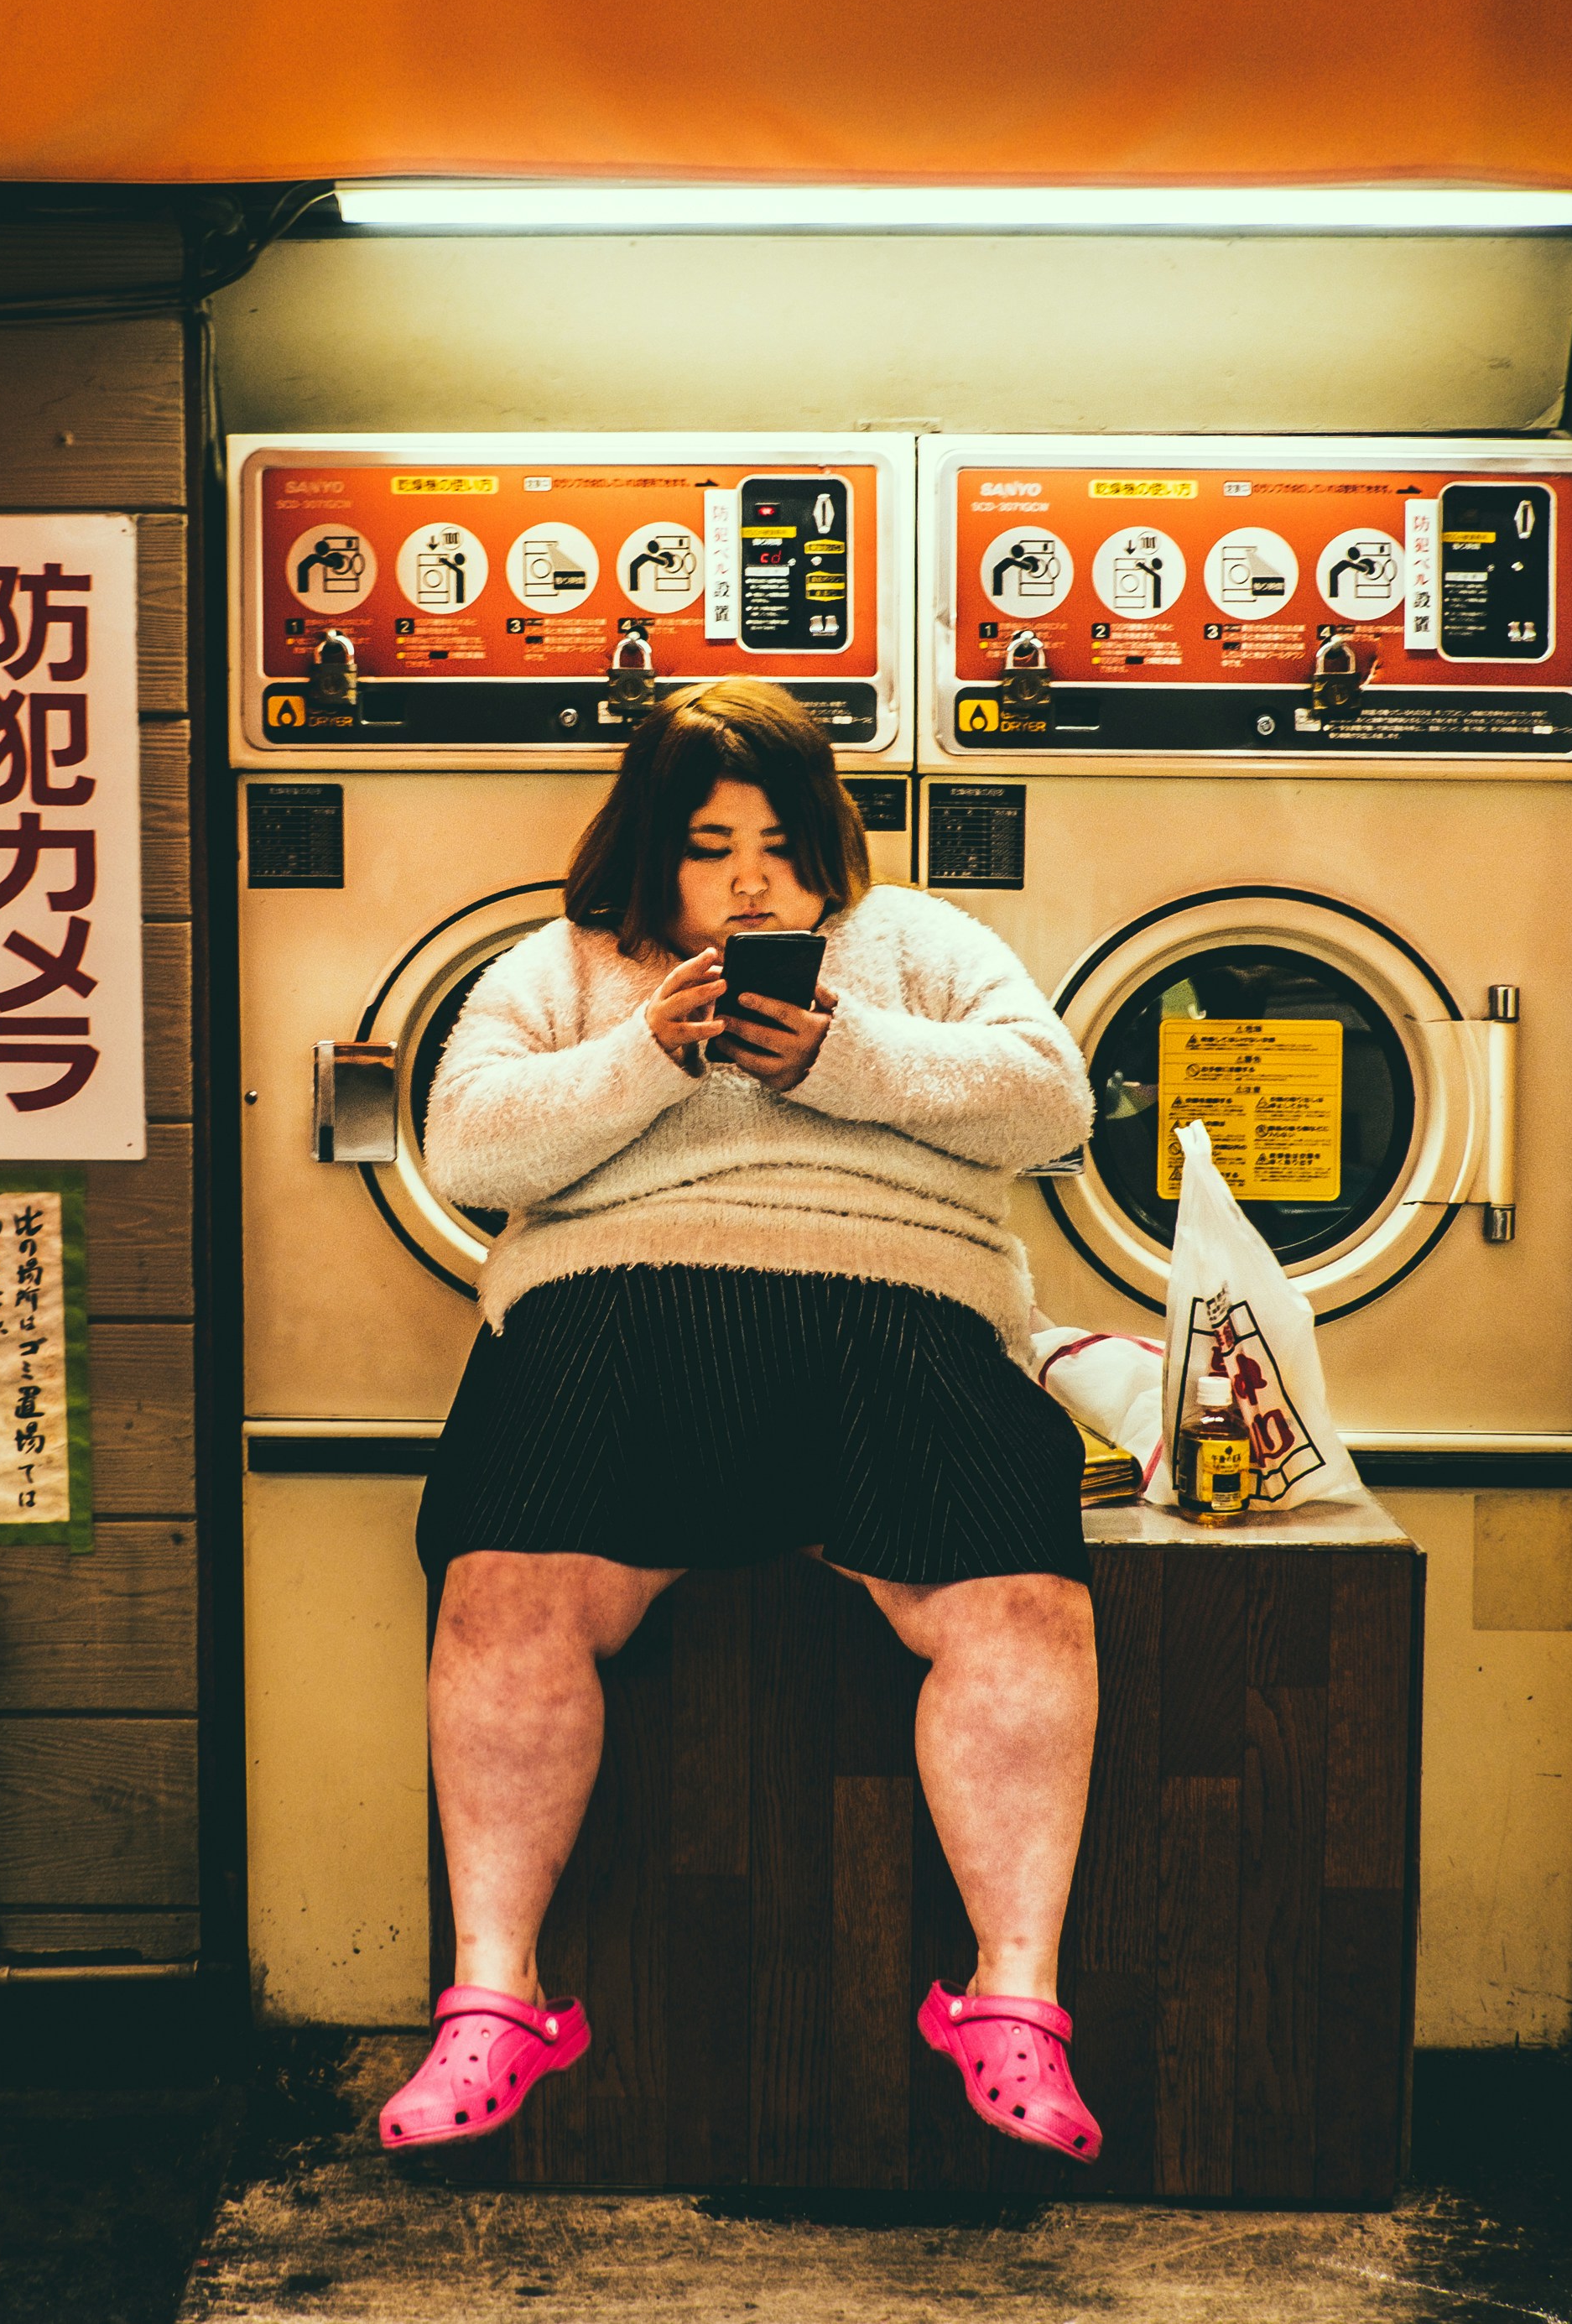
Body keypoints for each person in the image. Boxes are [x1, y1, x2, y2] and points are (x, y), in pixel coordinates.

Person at [377, 678, 1107, 2162]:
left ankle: (1013, 2004)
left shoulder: (921, 945)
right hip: (617, 1309)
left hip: (897, 1306)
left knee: (1026, 1605)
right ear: (656, 848)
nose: (753, 879)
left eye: (778, 840)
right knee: (505, 1590)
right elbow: (465, 1142)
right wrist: (647, 1048)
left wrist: (847, 1058)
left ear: (828, 835)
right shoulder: (567, 961)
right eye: (712, 845)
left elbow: (1056, 1104)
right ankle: (493, 2001)